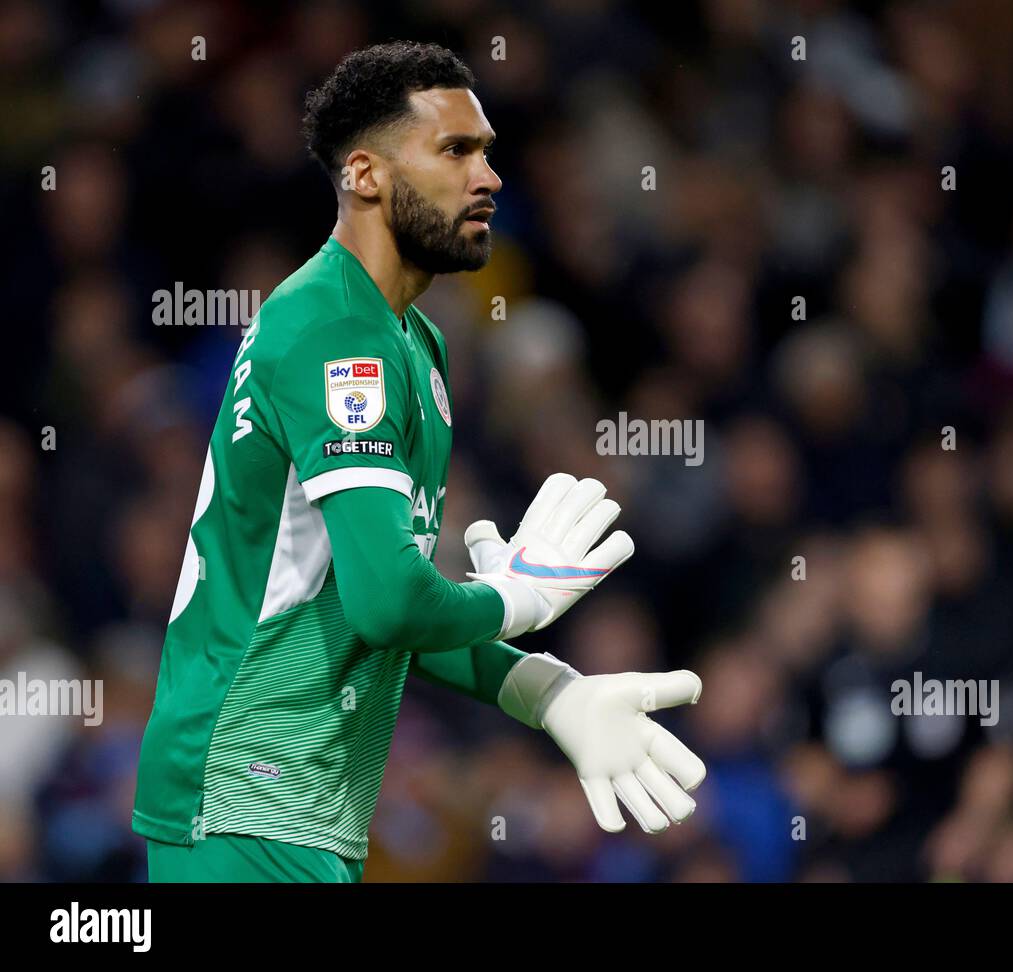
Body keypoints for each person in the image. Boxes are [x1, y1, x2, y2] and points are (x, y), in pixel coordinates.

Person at [133, 41, 705, 883]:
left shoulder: (414, 344)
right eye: (455, 150)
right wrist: (519, 598)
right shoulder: (336, 338)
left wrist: (544, 690)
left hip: (300, 810)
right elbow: (391, 603)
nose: (490, 178)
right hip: (244, 794)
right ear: (364, 174)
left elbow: (374, 605)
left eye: (488, 151)